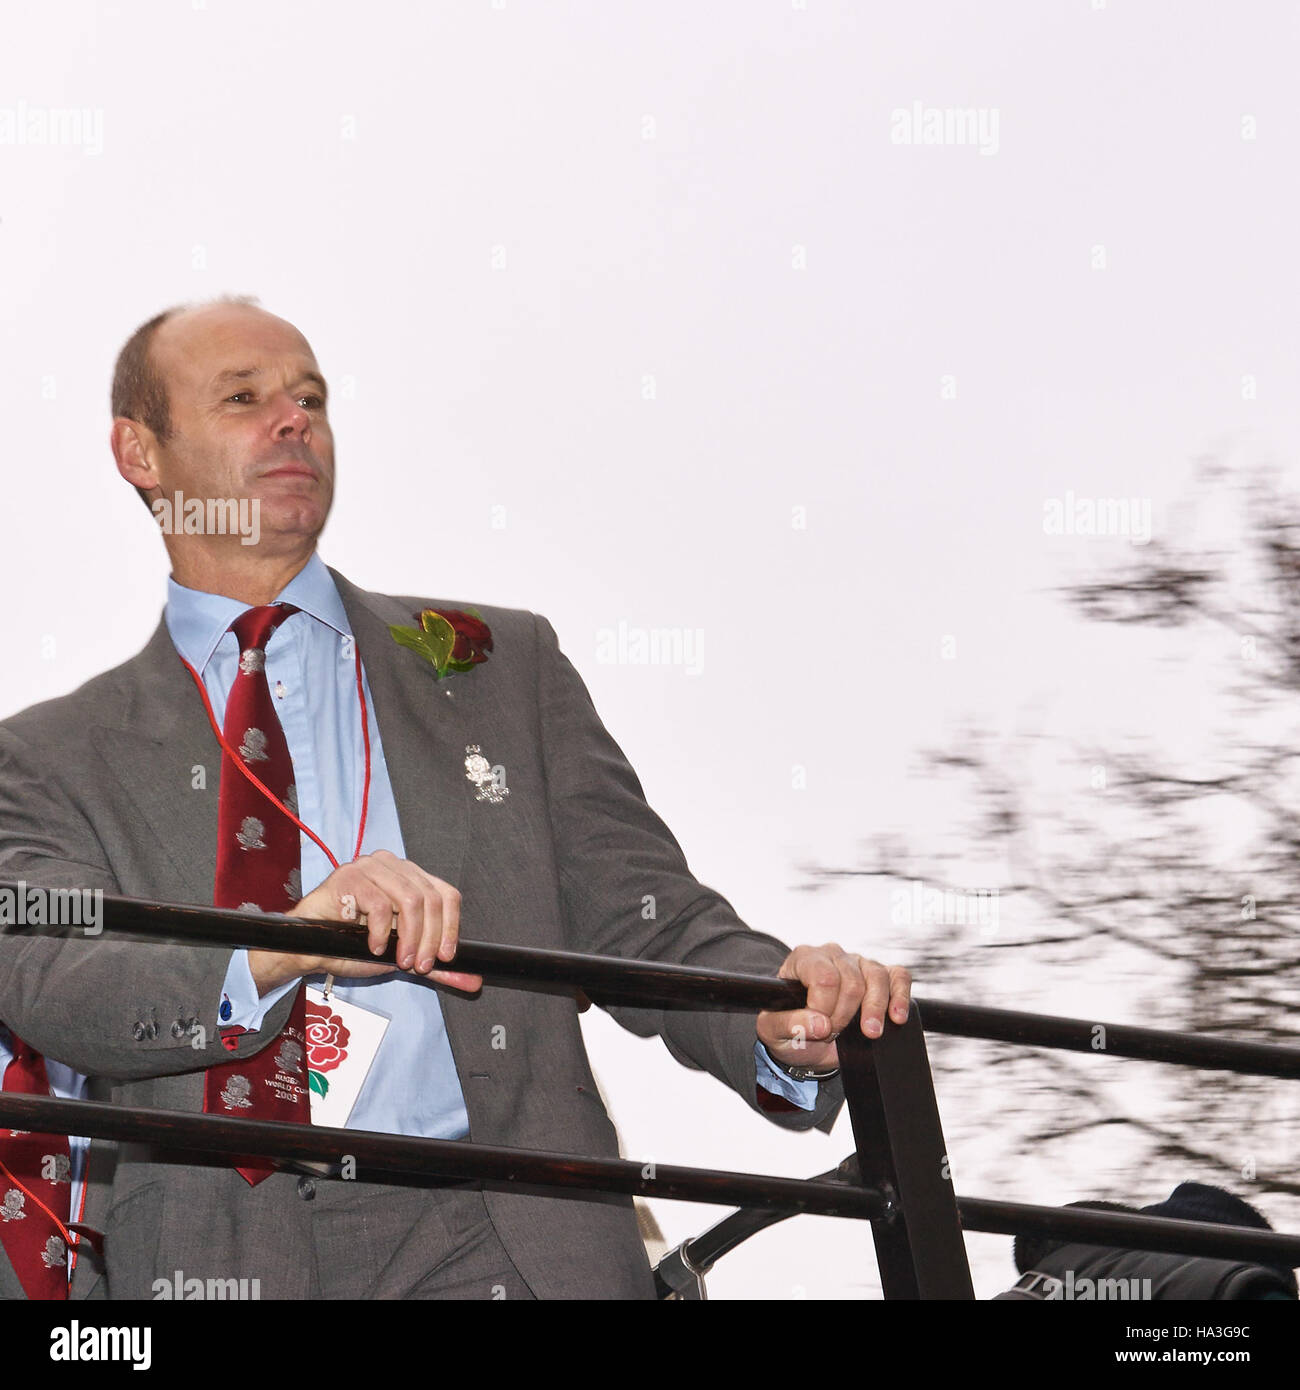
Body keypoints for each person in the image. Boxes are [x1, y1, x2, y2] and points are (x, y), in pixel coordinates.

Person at [0, 296, 911, 1300]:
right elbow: (52, 979)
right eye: (243, 398)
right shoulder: (45, 758)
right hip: (218, 1255)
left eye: (311, 398)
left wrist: (776, 1007)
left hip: (509, 1231)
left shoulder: (500, 665)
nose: (294, 419)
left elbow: (647, 916)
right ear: (139, 451)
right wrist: (279, 949)